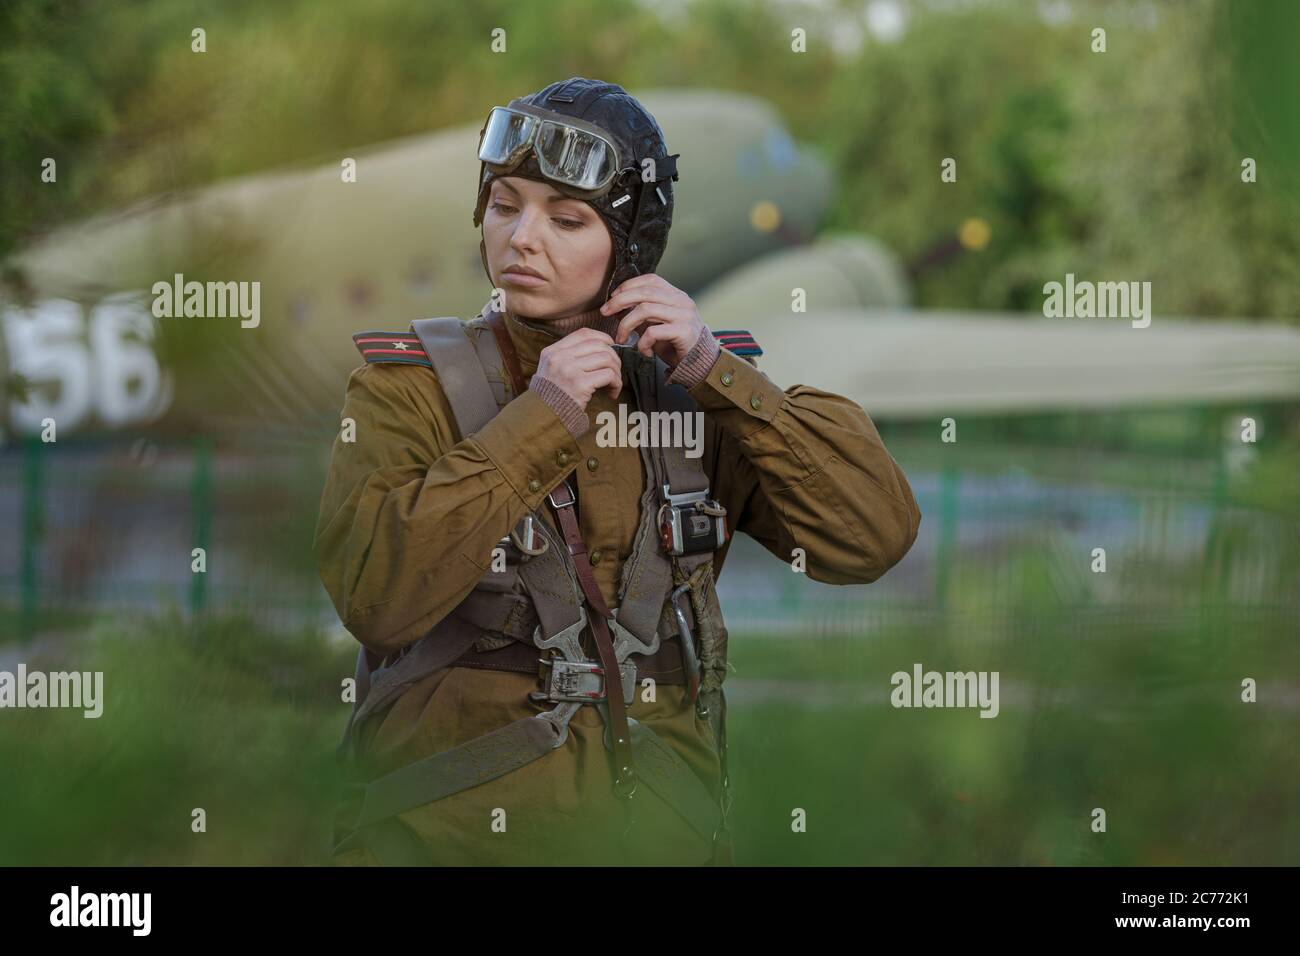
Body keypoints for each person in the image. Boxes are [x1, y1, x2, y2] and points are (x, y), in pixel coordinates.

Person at [314, 76, 922, 866]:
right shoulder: (410, 387)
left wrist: (717, 373)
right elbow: (375, 596)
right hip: (445, 834)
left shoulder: (696, 391)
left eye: (566, 219)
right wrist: (542, 419)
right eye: (504, 205)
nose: (522, 239)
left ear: (630, 242)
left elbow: (871, 536)